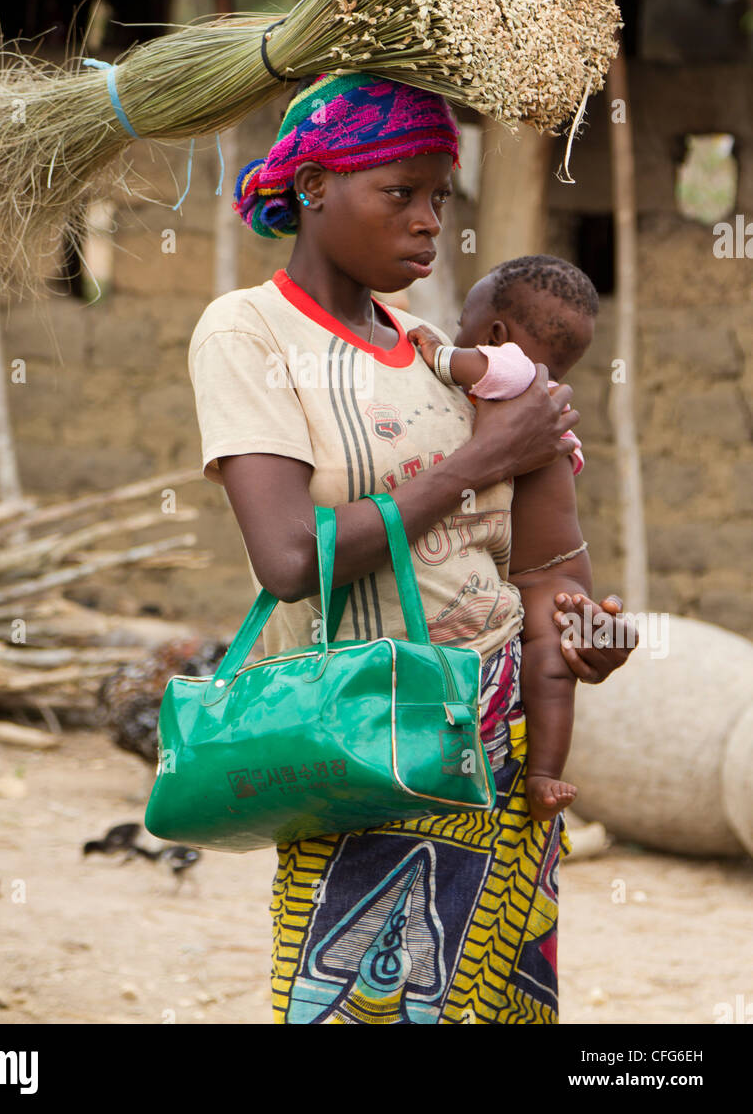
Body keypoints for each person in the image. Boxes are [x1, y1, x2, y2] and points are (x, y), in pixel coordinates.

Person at [188, 71, 635, 1025]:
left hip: (505, 744)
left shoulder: (442, 348)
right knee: (364, 997)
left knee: (496, 1004)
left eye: (441, 195)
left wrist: (583, 631)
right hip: (368, 744)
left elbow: (538, 561)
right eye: (402, 193)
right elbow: (291, 559)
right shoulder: (248, 331)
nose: (432, 221)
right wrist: (480, 459)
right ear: (312, 187)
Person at [407, 256, 621, 822]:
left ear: (497, 336)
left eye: (462, 322)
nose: (454, 334)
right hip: (556, 573)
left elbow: (470, 366)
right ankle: (547, 772)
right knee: (552, 672)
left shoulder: (517, 376)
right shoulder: (540, 394)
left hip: (543, 573)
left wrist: (433, 352)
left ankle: (546, 772)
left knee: (553, 669)